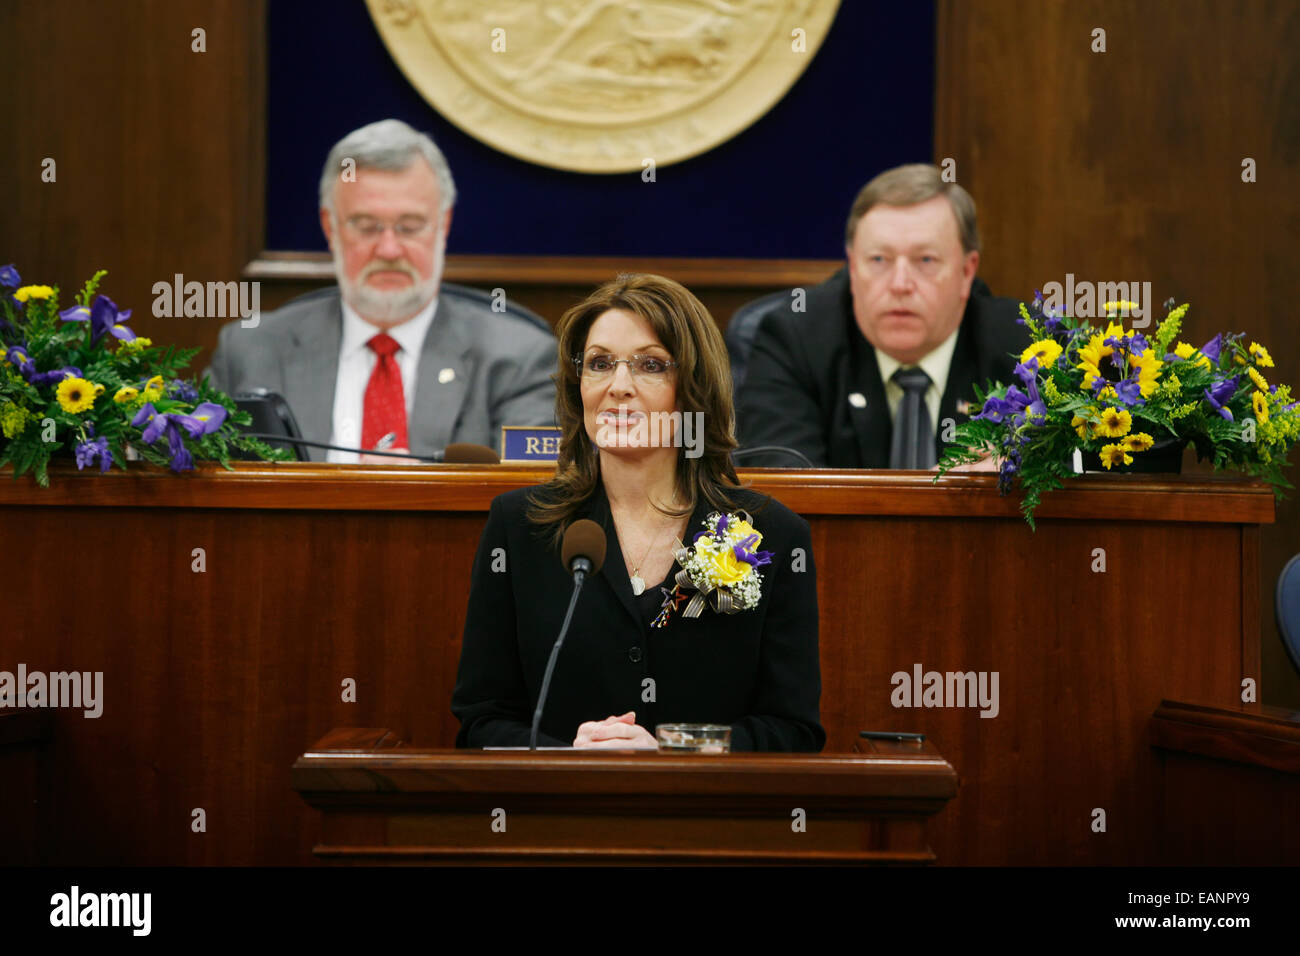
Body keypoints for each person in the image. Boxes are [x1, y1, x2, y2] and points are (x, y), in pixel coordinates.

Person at [452, 274, 825, 751]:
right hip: (557, 815)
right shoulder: (518, 525)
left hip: (708, 819)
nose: (619, 386)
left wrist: (673, 751)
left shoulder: (766, 534)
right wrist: (566, 754)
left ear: (693, 389)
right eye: (600, 363)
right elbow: (481, 721)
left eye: (650, 365)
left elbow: (793, 731)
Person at [206, 119, 556, 462]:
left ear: (443, 226)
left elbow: (530, 502)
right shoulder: (249, 352)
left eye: (409, 226)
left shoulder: (519, 360)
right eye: (366, 226)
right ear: (331, 227)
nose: (389, 250)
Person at [736, 163, 1023, 468]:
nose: (900, 284)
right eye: (878, 260)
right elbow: (784, 488)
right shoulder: (794, 340)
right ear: (852, 266)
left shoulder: (1024, 346)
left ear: (967, 271)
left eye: (925, 259)